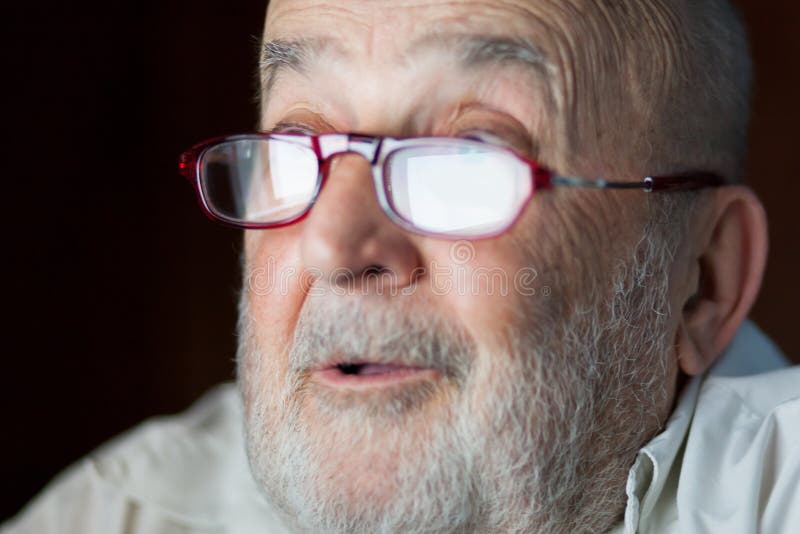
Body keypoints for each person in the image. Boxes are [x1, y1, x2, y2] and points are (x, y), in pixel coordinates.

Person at [4, 0, 798, 532]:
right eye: (297, 143)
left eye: (464, 158)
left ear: (703, 282)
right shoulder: (122, 515)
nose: (334, 246)